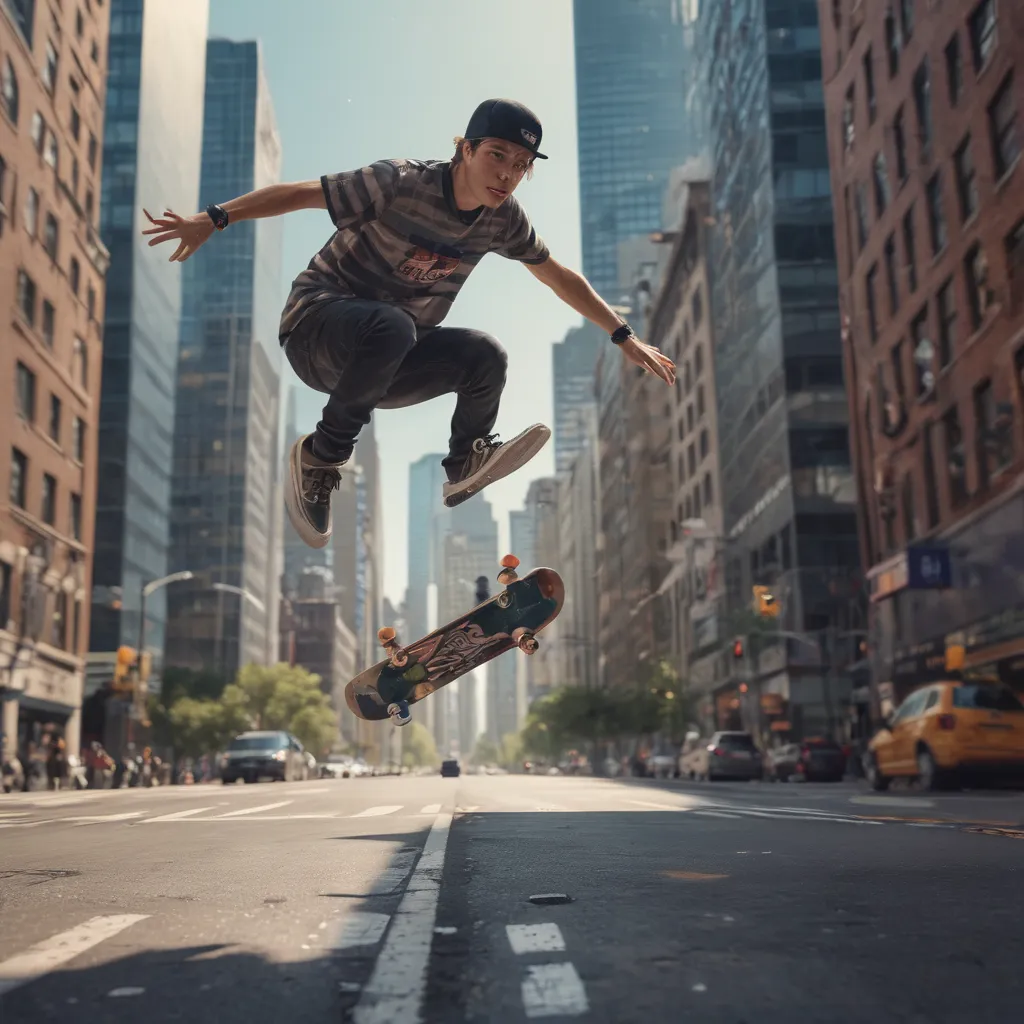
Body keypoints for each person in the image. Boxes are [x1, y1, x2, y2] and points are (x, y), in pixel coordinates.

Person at [142, 99, 676, 549]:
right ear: (464, 149)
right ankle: (321, 458)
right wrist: (214, 218)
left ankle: (464, 463)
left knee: (483, 355)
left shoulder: (504, 218)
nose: (507, 175)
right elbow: (302, 193)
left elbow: (557, 275)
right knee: (393, 325)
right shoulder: (397, 182)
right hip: (315, 331)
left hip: (384, 362)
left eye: (521, 165)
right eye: (496, 157)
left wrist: (623, 335)